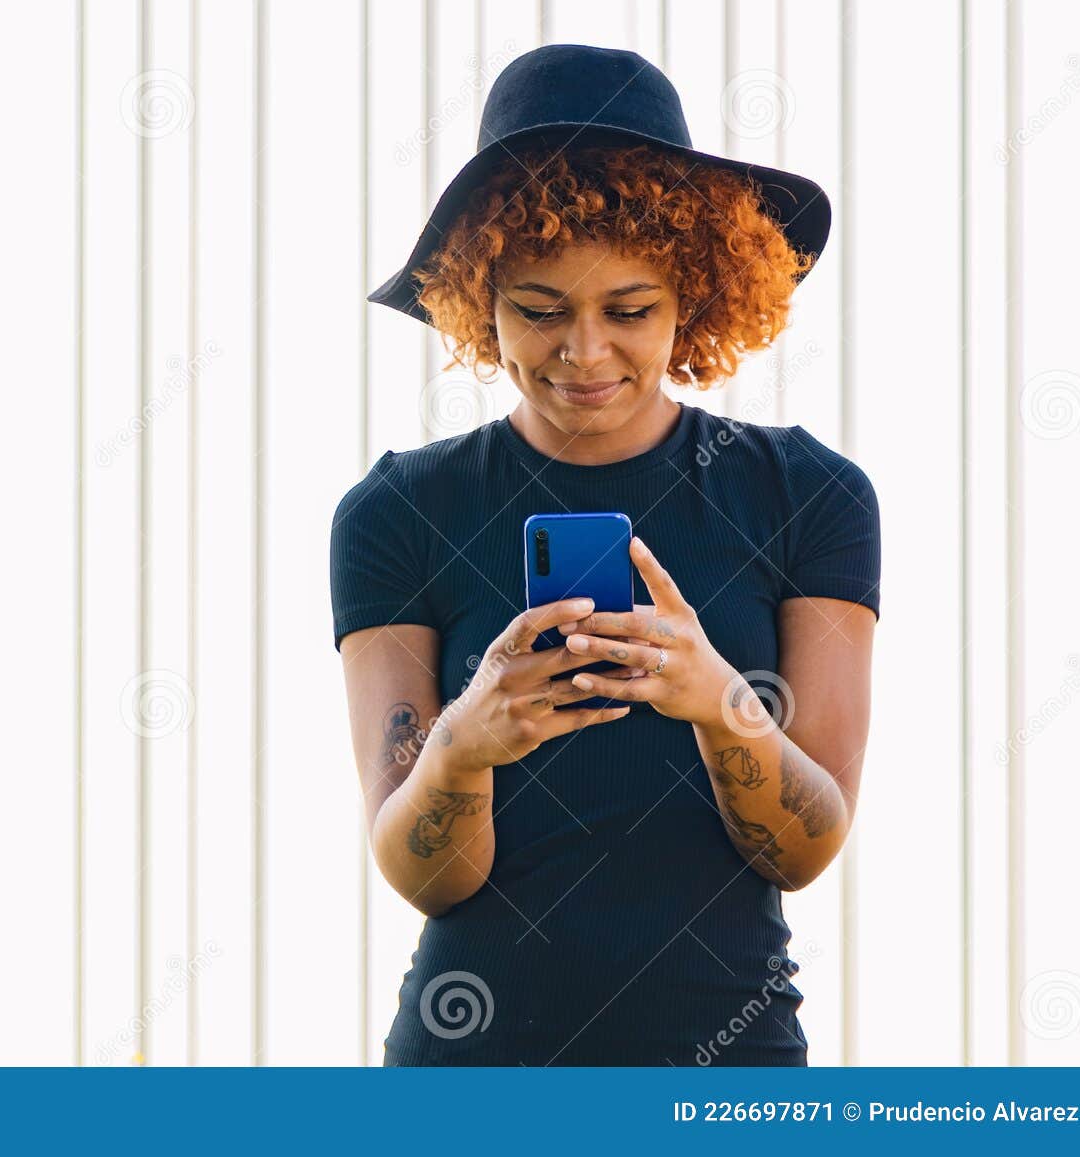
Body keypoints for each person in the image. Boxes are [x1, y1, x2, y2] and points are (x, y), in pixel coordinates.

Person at [330, 44, 879, 1066]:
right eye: (539, 311)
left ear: (693, 298)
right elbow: (426, 873)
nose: (584, 353)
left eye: (629, 310)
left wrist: (718, 698)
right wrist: (462, 745)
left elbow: (802, 848)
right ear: (481, 303)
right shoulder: (399, 511)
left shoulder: (807, 495)